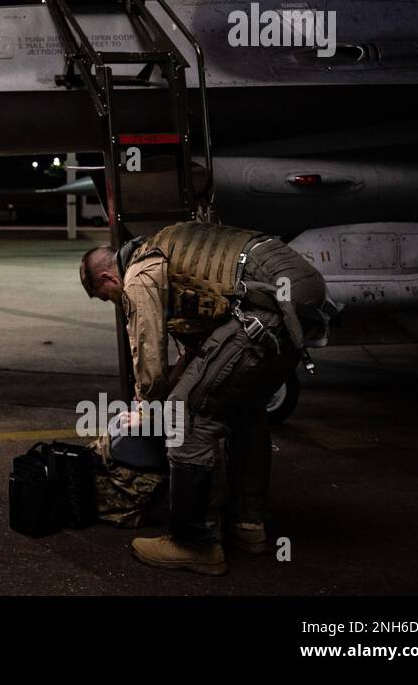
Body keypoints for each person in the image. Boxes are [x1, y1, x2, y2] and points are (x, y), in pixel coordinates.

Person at [79, 221, 335, 575]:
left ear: (109, 279)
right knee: (244, 410)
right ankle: (250, 527)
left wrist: (145, 404)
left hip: (267, 303)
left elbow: (148, 348)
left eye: (109, 297)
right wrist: (174, 381)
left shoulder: (138, 272)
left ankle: (194, 543)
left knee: (185, 415)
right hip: (298, 292)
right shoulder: (168, 250)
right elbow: (204, 348)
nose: (115, 301)